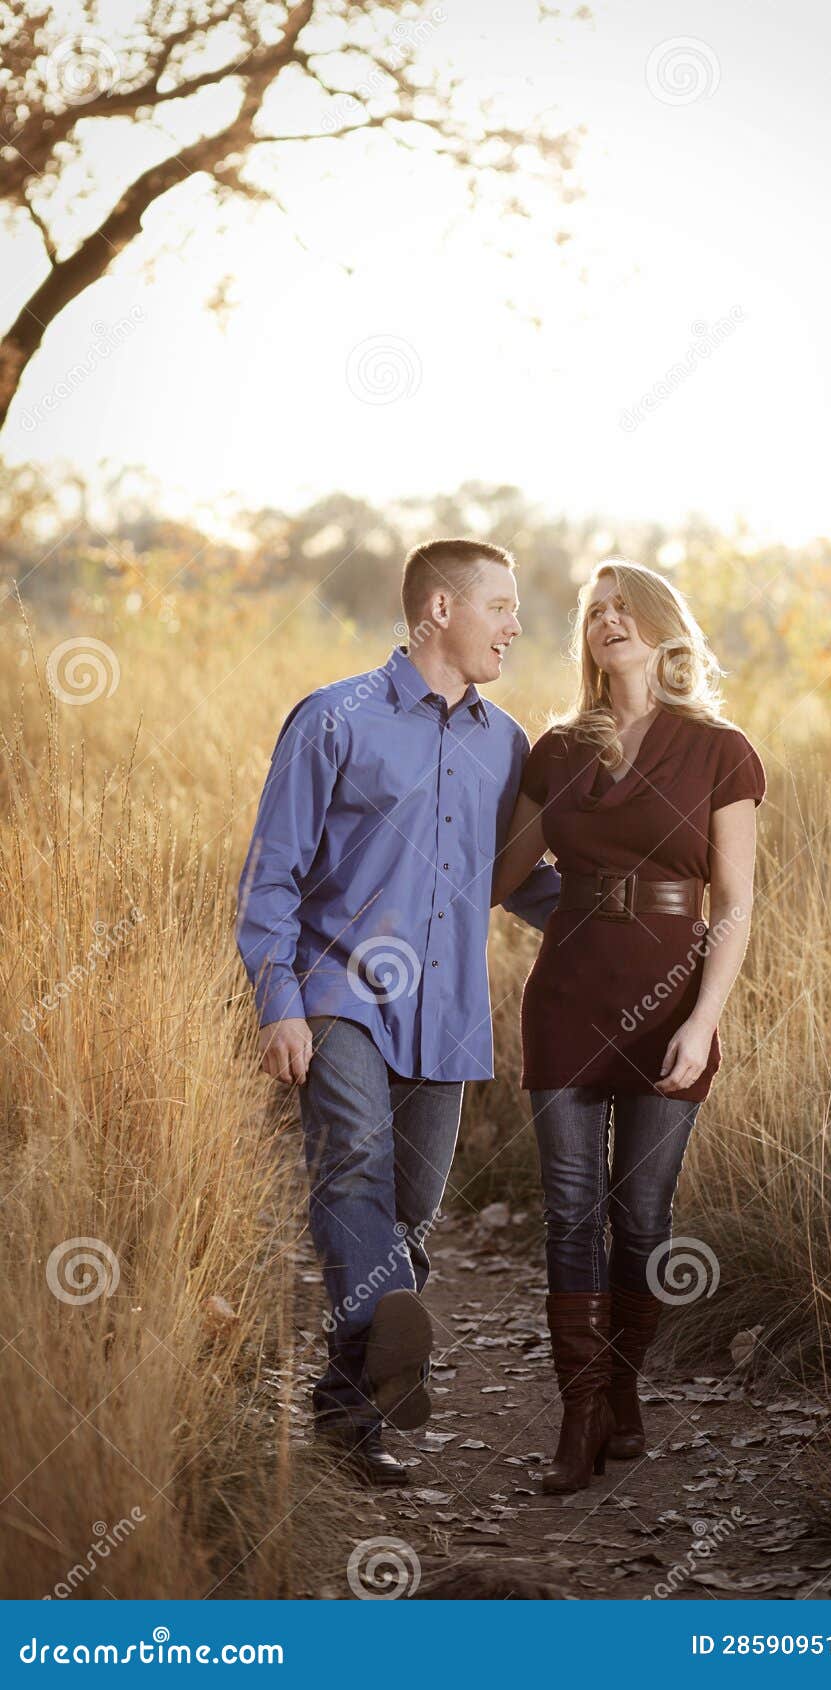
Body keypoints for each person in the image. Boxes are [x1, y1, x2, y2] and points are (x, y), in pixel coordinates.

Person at [236, 538, 558, 1486]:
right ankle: (386, 1338)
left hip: (447, 1009)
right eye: (499, 605)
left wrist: (617, 914)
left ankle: (347, 1408)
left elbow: (513, 881)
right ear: (440, 613)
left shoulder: (506, 742)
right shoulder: (334, 720)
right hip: (337, 991)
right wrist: (278, 1005)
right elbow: (271, 878)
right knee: (355, 1171)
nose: (515, 624)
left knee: (408, 1214)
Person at [492, 558, 766, 1495]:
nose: (607, 620)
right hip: (566, 1001)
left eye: (624, 608)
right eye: (594, 611)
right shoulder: (559, 748)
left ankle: (625, 1391)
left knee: (642, 1219)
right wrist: (574, 909)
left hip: (673, 1008)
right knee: (570, 1212)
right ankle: (578, 1416)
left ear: (660, 627)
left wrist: (704, 1018)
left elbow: (732, 903)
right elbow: (503, 874)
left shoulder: (720, 748)